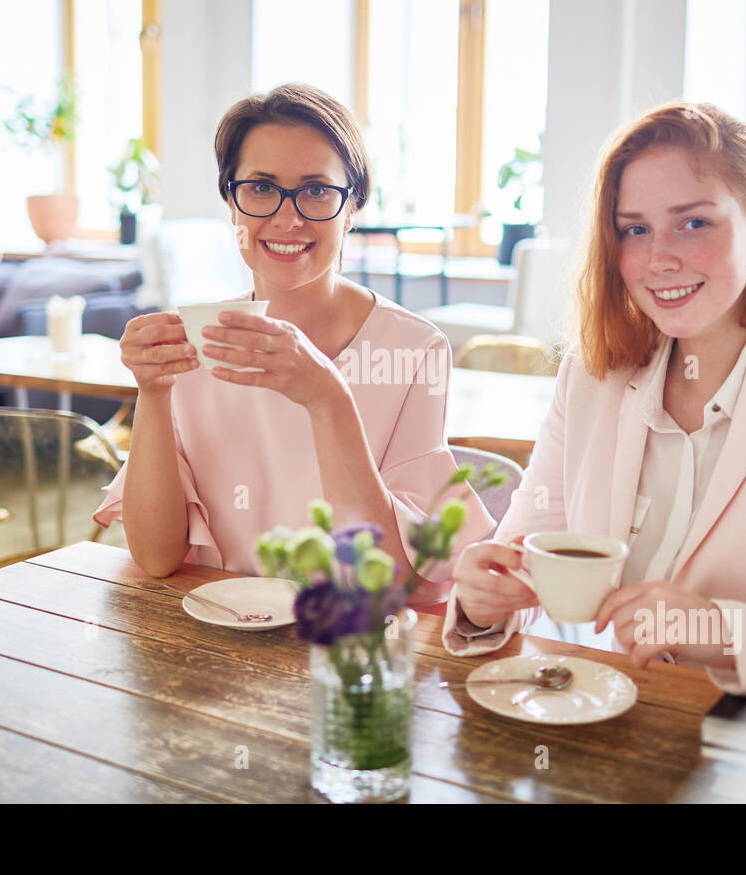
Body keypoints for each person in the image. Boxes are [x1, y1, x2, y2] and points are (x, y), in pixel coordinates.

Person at [442, 101, 746, 693]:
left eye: (694, 223)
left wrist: (726, 631)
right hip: (595, 719)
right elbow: (526, 564)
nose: (659, 258)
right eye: (635, 229)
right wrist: (483, 600)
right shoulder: (592, 374)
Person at [93, 83, 493, 605]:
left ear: (353, 207)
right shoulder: (197, 338)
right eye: (260, 187)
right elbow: (156, 557)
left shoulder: (413, 350)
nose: (287, 217)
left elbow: (393, 579)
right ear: (231, 202)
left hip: (348, 649)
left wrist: (327, 398)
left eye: (316, 190)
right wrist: (153, 392)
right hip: (209, 643)